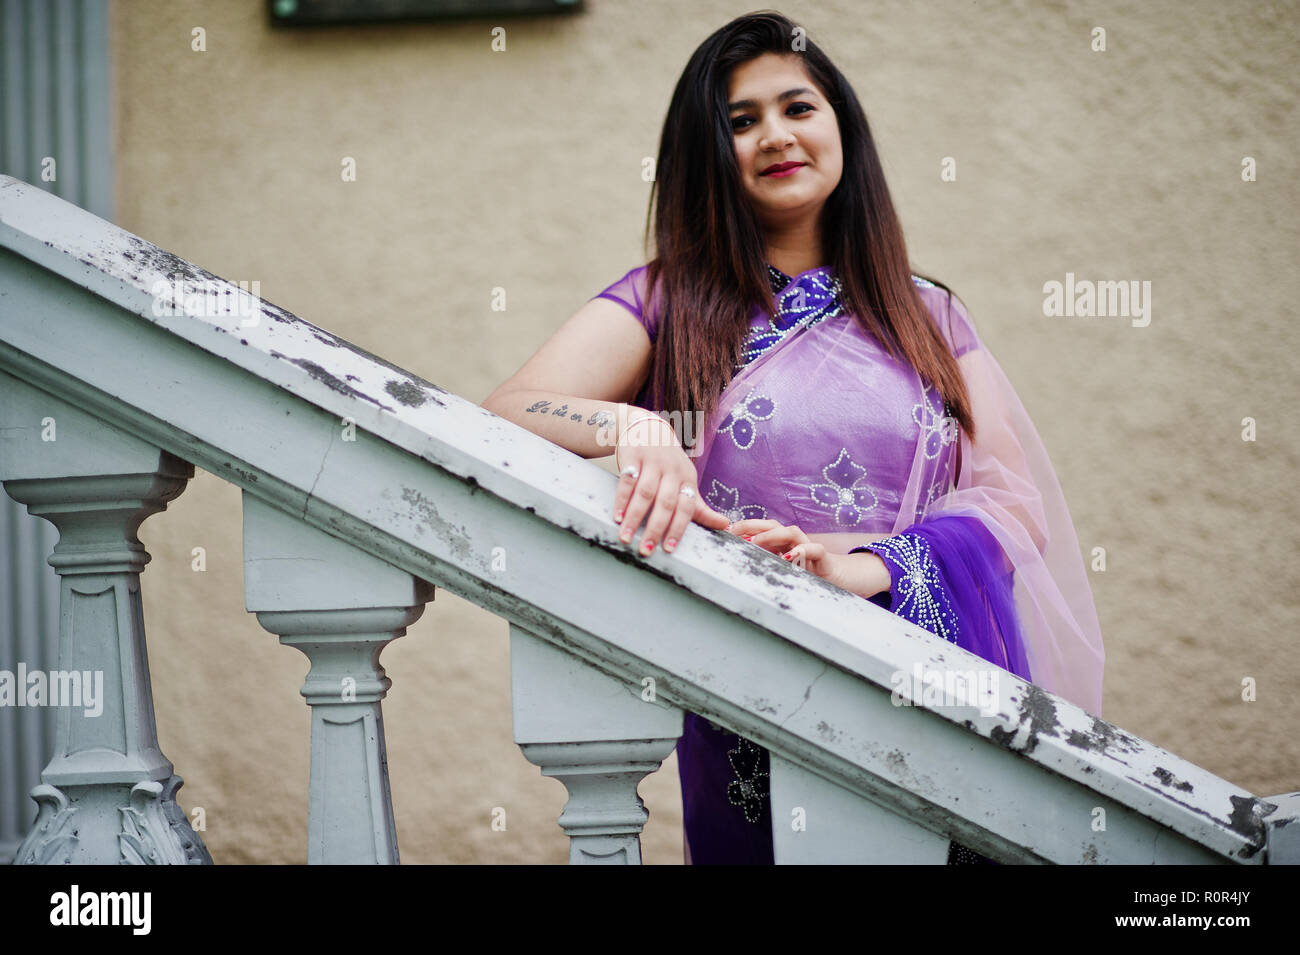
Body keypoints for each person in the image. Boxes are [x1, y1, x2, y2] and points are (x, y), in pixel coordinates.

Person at [482, 11, 1104, 865]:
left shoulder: (927, 314)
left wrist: (860, 567)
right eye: (740, 121)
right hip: (759, 680)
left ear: (839, 124)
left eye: (797, 107)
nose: (774, 135)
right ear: (711, 154)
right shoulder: (670, 301)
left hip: (926, 667)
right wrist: (629, 424)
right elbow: (508, 409)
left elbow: (1012, 503)